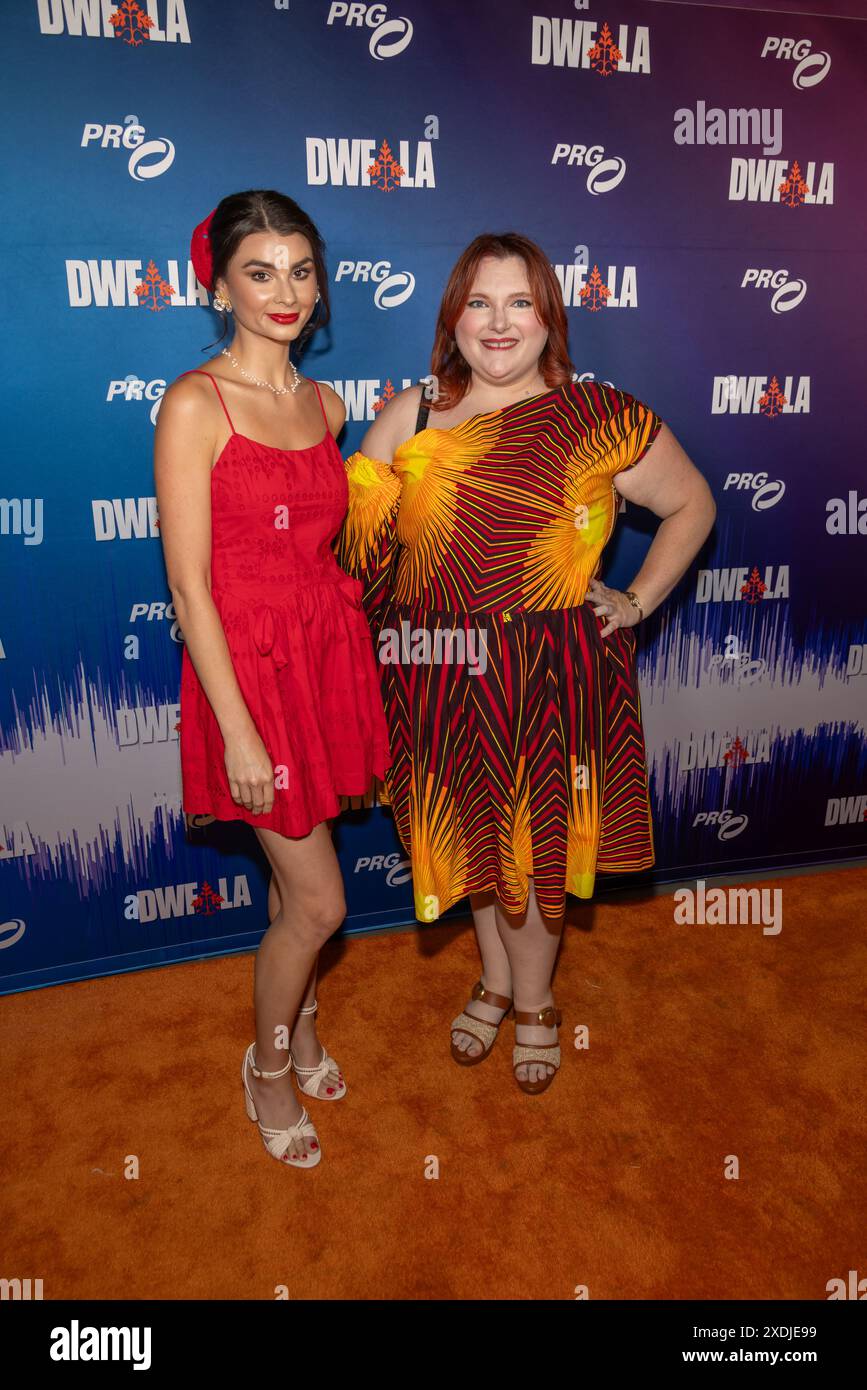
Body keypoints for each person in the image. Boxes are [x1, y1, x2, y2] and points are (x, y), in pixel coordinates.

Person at [334, 232, 716, 1095]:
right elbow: (355, 551)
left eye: (519, 303)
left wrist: (638, 600)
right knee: (471, 839)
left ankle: (535, 1001)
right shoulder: (414, 413)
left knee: (534, 853)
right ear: (452, 319)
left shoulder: (600, 416)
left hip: (547, 674)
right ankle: (496, 980)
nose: (497, 323)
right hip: (430, 667)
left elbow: (692, 503)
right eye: (478, 302)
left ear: (549, 320)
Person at [154, 190, 391, 1168]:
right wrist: (240, 730)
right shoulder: (193, 404)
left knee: (297, 888)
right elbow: (188, 585)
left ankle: (300, 1026)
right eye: (261, 271)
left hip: (322, 658)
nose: (286, 291)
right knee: (323, 904)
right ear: (220, 287)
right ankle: (266, 1069)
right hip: (244, 673)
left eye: (301, 270)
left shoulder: (326, 406)